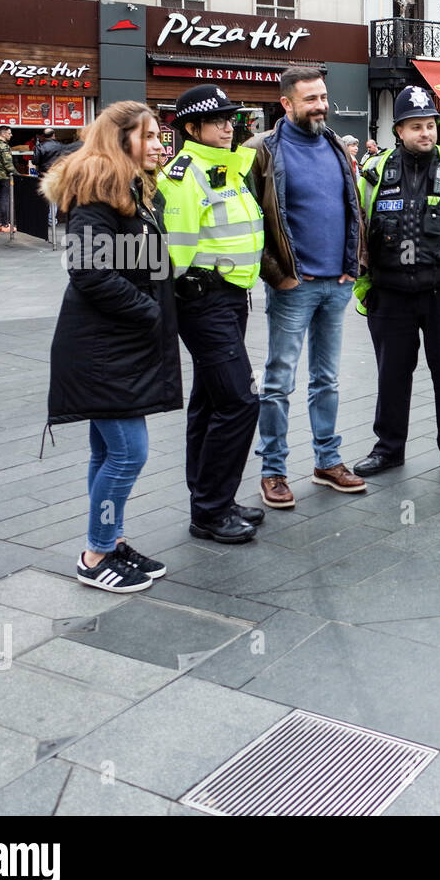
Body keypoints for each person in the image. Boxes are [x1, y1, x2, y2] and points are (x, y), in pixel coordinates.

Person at [43, 101, 181, 593]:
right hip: (104, 349)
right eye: (148, 137)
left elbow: (141, 261)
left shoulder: (132, 189)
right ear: (120, 140)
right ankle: (95, 553)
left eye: (158, 136)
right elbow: (88, 270)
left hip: (119, 345)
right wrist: (150, 312)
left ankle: (111, 540)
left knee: (107, 453)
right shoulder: (99, 190)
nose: (159, 145)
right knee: (128, 454)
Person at [353, 84, 440, 482]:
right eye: (416, 126)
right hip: (390, 295)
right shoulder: (375, 171)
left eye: (429, 125)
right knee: (391, 376)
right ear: (398, 130)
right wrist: (363, 288)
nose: (425, 133)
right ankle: (388, 449)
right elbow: (360, 231)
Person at [244, 67, 366, 511]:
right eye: (310, 98)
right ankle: (273, 471)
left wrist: (356, 265)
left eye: (323, 97)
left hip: (337, 284)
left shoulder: (336, 144)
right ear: (287, 104)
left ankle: (327, 462)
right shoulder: (261, 151)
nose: (320, 105)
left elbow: (353, 208)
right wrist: (278, 275)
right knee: (278, 381)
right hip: (294, 288)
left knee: (327, 379)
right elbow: (248, 222)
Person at [156, 84, 266, 544]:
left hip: (230, 298)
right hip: (202, 301)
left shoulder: (227, 167)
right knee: (240, 400)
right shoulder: (184, 177)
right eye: (218, 119)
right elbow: (173, 257)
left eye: (231, 118)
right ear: (190, 128)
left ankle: (211, 497)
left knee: (210, 400)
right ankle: (210, 511)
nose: (228, 126)